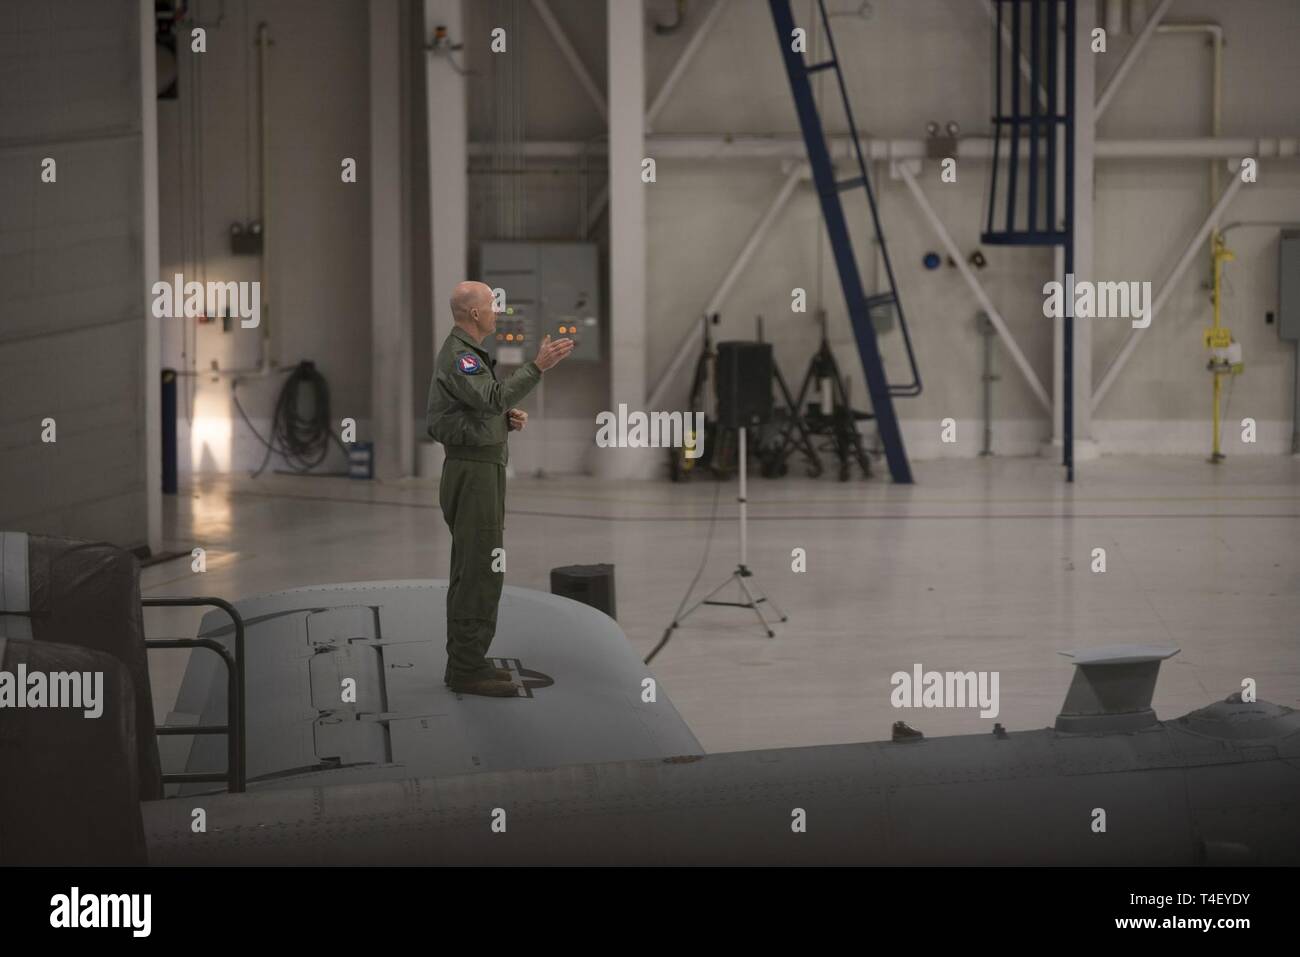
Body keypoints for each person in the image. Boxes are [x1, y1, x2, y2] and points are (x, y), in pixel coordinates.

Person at [426, 280, 575, 696]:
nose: (497, 312)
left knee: (479, 566)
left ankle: (469, 657)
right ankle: (466, 669)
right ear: (474, 314)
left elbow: (479, 407)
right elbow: (489, 396)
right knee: (479, 571)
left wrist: (503, 419)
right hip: (473, 474)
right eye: (492, 306)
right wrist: (537, 366)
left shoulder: (469, 355)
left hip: (482, 469)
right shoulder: (461, 357)